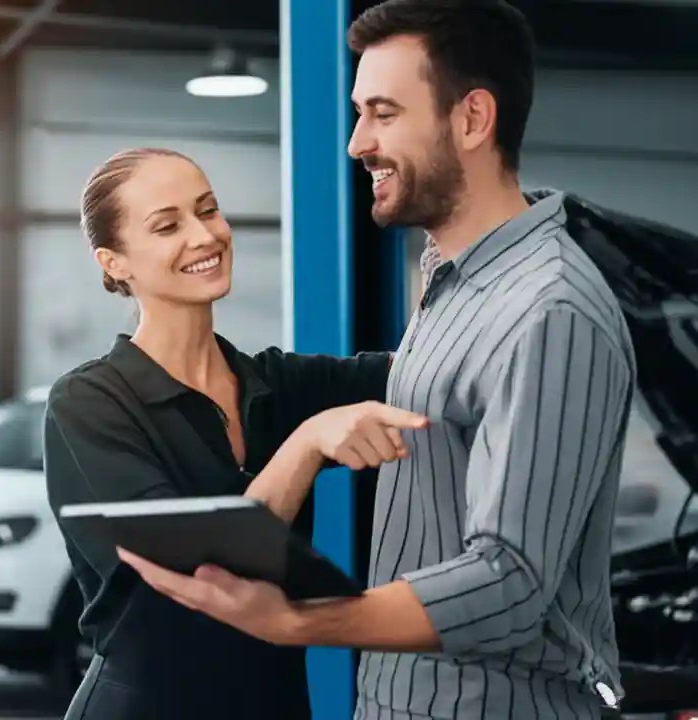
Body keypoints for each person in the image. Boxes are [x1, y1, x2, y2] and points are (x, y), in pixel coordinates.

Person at [119, 1, 638, 718]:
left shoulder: (550, 310)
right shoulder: (454, 281)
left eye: (383, 112)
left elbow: (509, 582)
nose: (357, 142)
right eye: (359, 113)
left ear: (472, 119)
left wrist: (296, 621)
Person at [43, 147, 430, 720]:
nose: (204, 236)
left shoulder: (278, 384)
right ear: (115, 261)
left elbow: (427, 367)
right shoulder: (91, 404)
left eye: (209, 210)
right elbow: (205, 573)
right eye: (168, 225)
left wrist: (446, 257)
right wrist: (306, 444)